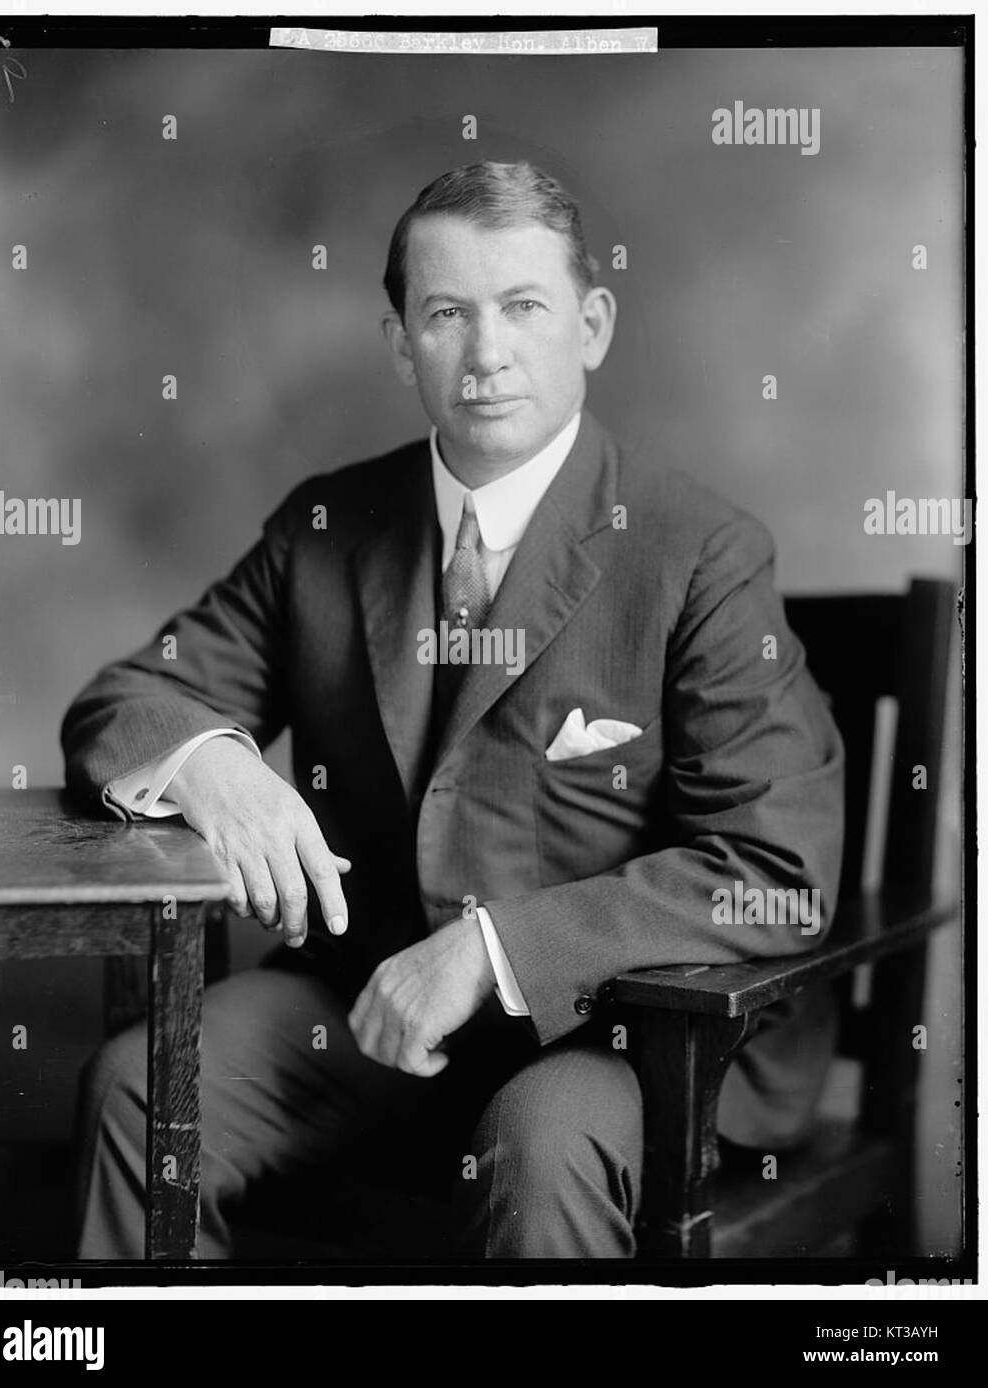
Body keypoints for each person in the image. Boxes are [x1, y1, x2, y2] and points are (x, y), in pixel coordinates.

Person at [64, 160, 844, 1260]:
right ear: (400, 345)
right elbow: (129, 697)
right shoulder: (328, 528)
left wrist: (491, 953)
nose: (487, 354)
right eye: (446, 314)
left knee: (541, 1134)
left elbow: (775, 874)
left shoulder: (700, 551)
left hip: (628, 1032)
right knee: (140, 1085)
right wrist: (209, 764)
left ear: (593, 324)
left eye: (524, 307)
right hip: (372, 999)